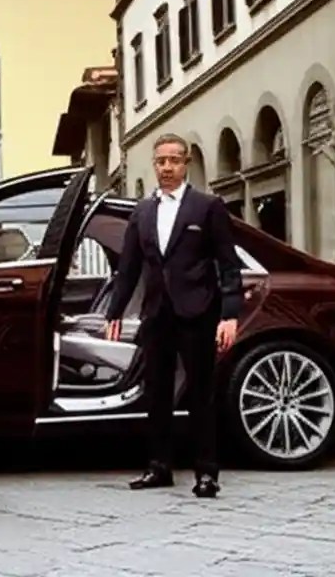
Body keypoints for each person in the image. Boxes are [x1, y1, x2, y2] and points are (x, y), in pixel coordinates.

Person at [103, 133, 243, 498]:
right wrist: (114, 312)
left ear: (186, 164)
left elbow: (229, 266)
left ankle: (207, 473)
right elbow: (129, 269)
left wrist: (229, 315)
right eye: (161, 161)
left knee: (201, 395)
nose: (167, 167)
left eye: (174, 160)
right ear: (155, 165)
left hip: (198, 313)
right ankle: (159, 467)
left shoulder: (207, 207)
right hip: (157, 315)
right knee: (157, 394)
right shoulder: (143, 211)